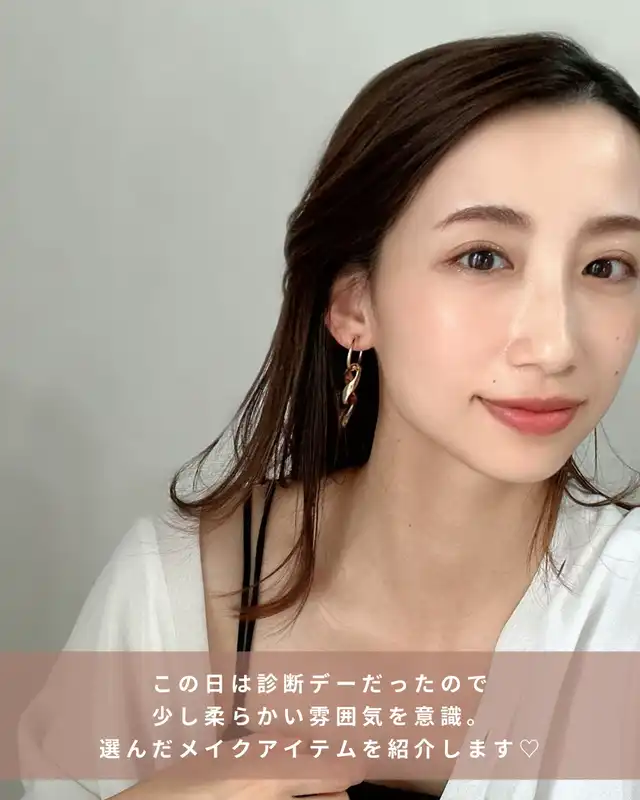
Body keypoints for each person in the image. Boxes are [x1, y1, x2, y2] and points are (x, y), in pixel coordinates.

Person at [18, 29, 640, 800]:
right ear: (354, 305)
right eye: (482, 257)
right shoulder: (170, 591)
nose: (555, 345)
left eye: (607, 266)